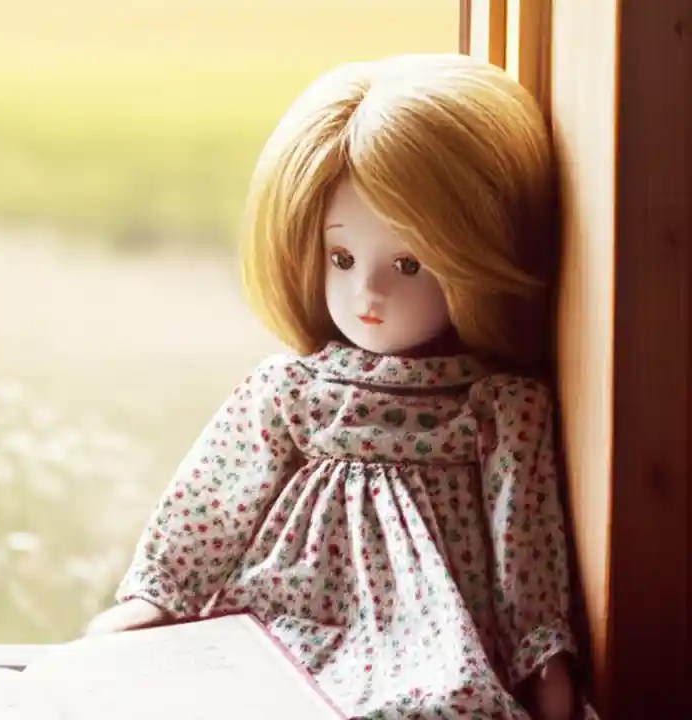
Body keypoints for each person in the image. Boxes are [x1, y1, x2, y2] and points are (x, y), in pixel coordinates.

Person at [86, 54, 595, 720]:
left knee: (442, 703)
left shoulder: (497, 408)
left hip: (431, 636)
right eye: (342, 257)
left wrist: (542, 652)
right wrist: (157, 597)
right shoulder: (292, 390)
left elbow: (522, 541)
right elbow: (216, 497)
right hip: (286, 613)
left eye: (410, 264)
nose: (369, 294)